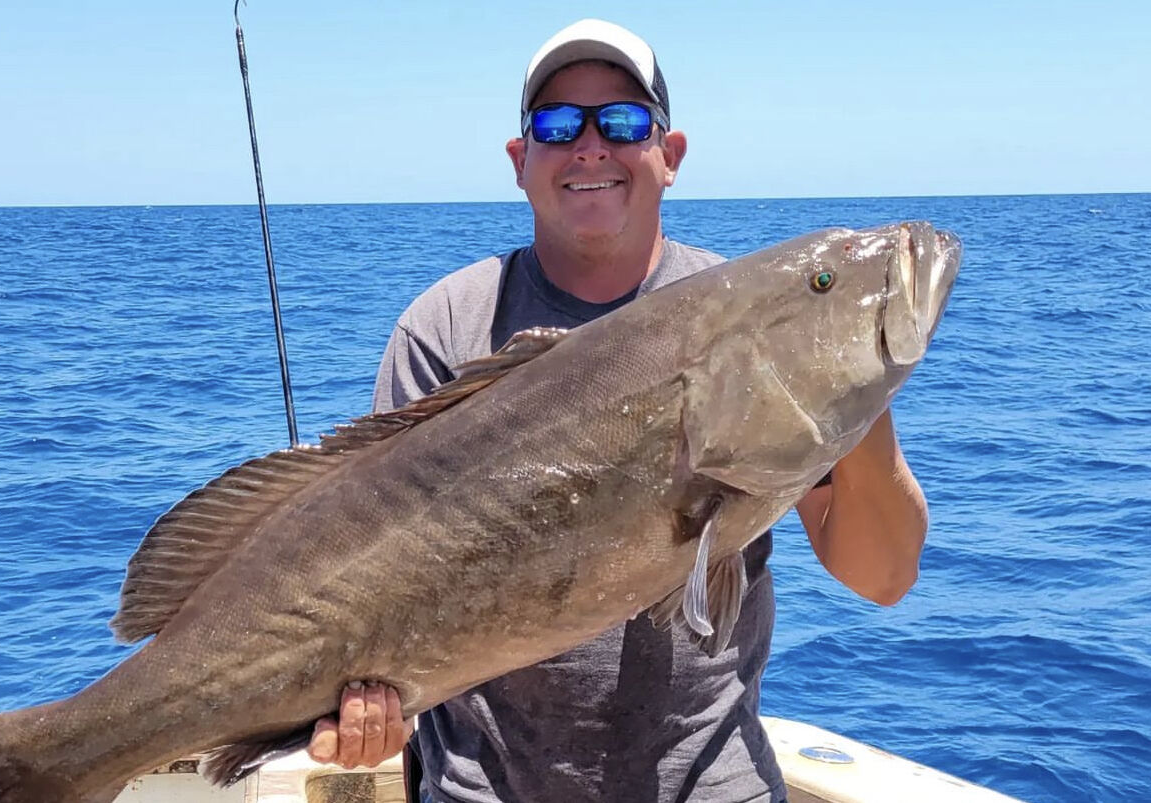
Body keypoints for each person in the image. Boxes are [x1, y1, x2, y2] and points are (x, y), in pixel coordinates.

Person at [306, 18, 929, 803]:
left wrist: (856, 386)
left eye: (624, 121)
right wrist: (368, 709)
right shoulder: (444, 329)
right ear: (519, 160)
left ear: (668, 157)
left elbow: (879, 576)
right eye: (558, 125)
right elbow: (368, 569)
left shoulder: (752, 328)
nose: (590, 146)